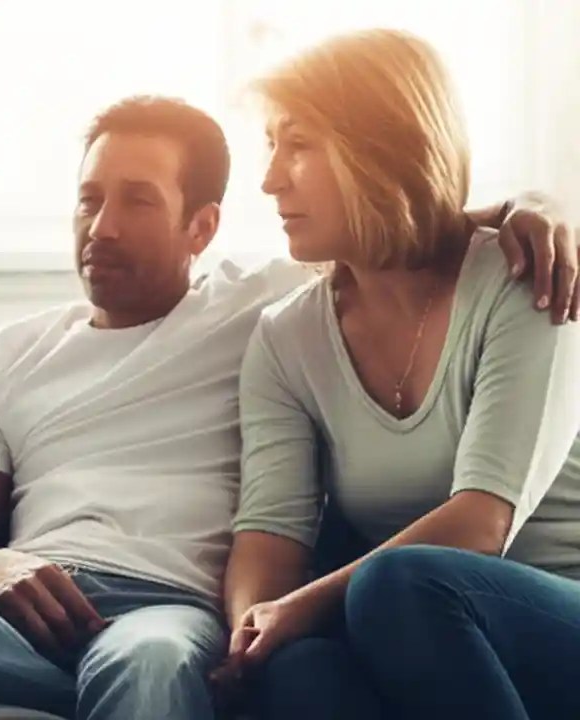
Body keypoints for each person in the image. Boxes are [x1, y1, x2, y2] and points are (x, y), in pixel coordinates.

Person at [0, 93, 573, 719]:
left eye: (137, 202)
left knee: (155, 663)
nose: (102, 227)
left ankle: (136, 694)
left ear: (203, 227)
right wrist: (1, 566)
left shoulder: (266, 307)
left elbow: (392, 231)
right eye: (89, 199)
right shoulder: (9, 353)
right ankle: (92, 701)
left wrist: (525, 209)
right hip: (16, 609)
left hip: (161, 615)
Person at [220, 29, 580, 720]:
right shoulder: (286, 336)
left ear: (378, 149)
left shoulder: (525, 279)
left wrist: (303, 605)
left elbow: (482, 524)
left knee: (397, 585)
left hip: (553, 614)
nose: (269, 179)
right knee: (297, 669)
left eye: (297, 145)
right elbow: (269, 533)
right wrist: (253, 630)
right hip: (419, 637)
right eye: (270, 146)